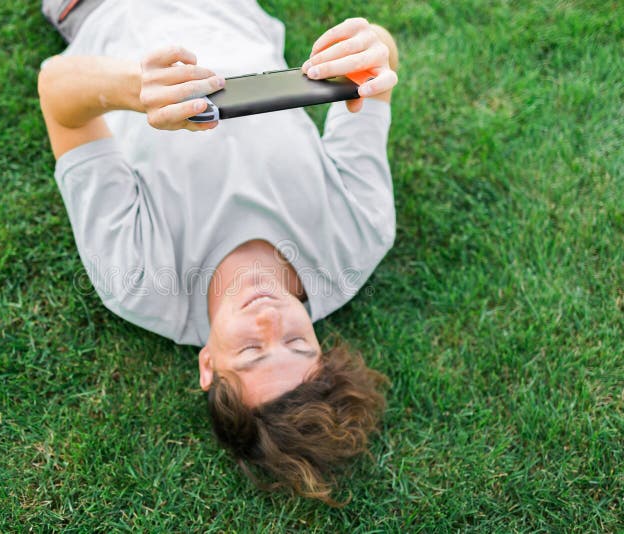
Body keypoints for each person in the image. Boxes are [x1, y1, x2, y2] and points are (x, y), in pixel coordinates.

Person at [38, 0, 399, 505]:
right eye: (296, 343)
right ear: (321, 348)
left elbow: (57, 88)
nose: (269, 320)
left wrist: (131, 88)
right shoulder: (359, 235)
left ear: (208, 367)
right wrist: (371, 49)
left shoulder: (138, 281)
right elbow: (378, 67)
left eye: (251, 352)